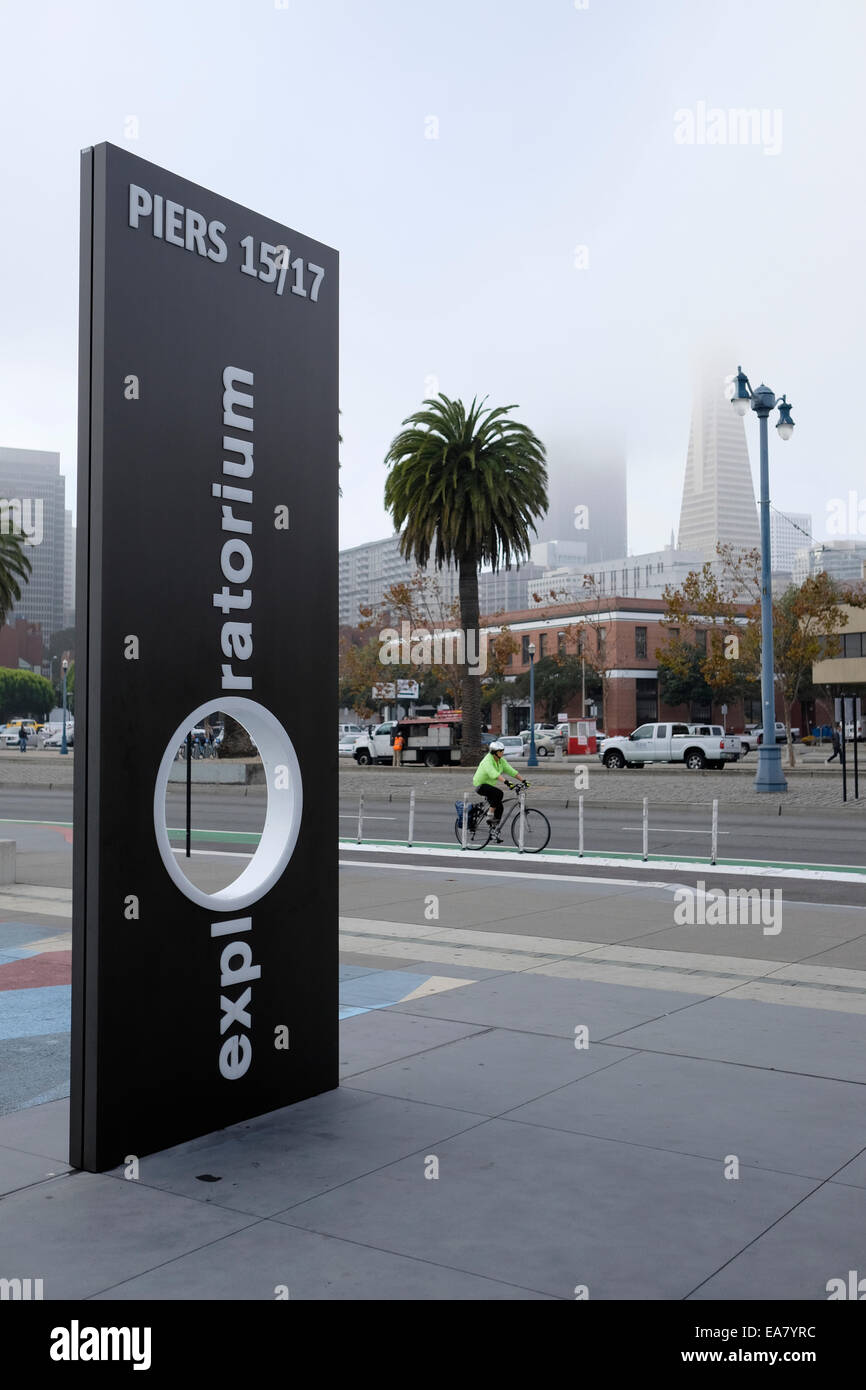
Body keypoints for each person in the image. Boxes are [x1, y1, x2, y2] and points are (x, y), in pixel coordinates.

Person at [473, 739, 527, 839]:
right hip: (480, 785)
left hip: (489, 786)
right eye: (500, 751)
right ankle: (489, 815)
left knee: (500, 807)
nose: (502, 752)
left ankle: (494, 830)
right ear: (494, 752)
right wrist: (506, 782)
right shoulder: (487, 761)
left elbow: (511, 771)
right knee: (499, 793)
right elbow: (493, 773)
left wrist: (523, 781)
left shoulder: (501, 760)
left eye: (502, 750)